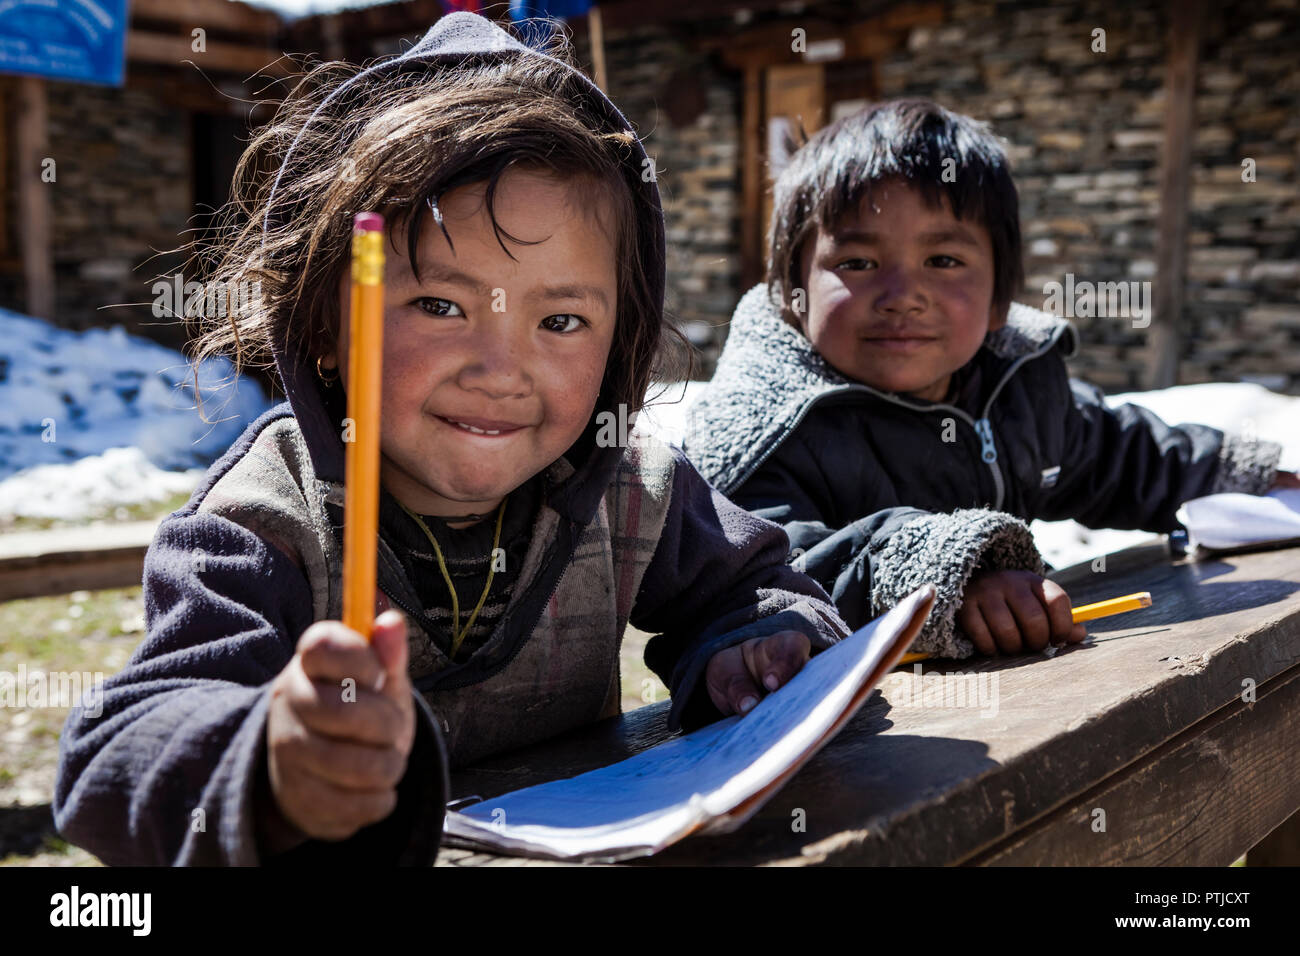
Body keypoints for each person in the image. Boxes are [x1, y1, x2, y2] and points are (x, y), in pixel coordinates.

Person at [53, 13, 848, 867]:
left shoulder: (629, 489)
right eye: (440, 306)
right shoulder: (262, 524)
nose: (501, 371)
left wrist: (753, 651)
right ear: (323, 324)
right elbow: (111, 755)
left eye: (561, 320)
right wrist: (269, 760)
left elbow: (762, 593)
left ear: (619, 343)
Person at [684, 98, 1294, 662]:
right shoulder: (766, 431)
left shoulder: (1016, 388)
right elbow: (778, 565)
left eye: (944, 260)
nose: (903, 296)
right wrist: (951, 576)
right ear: (791, 292)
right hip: (853, 723)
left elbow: (1120, 456)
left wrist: (1242, 474)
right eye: (858, 262)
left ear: (1000, 297)